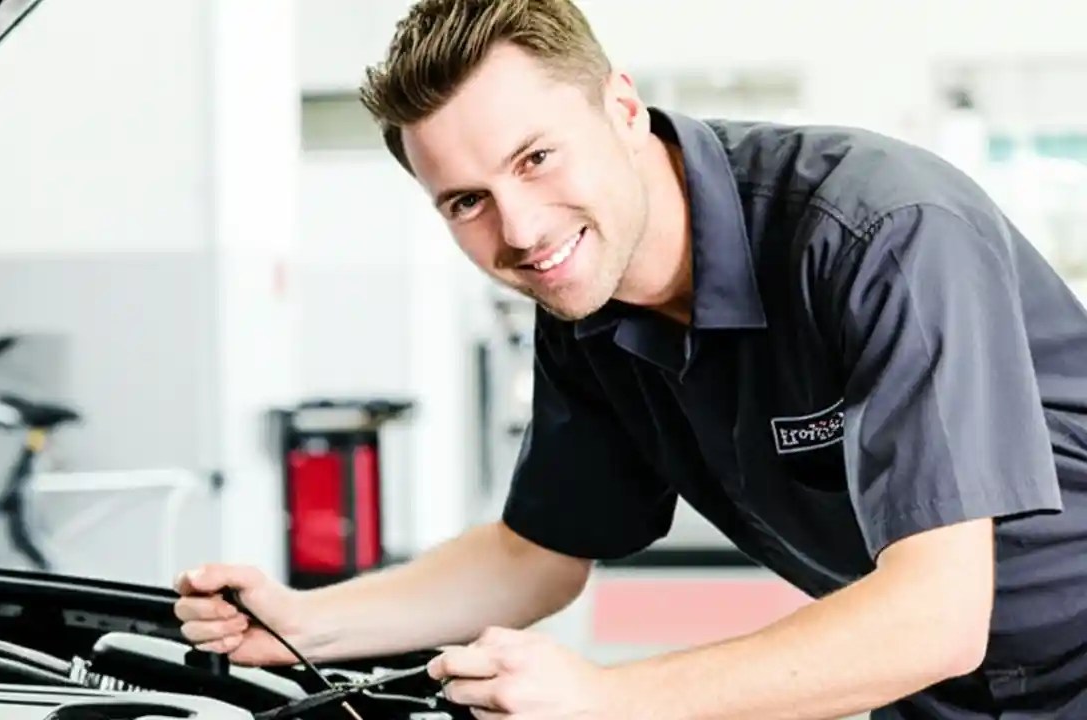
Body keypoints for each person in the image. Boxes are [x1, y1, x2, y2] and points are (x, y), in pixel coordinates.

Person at [173, 0, 1087, 717]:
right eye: (465, 202)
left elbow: (936, 615)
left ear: (621, 104)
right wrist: (307, 624)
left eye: (535, 158)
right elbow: (540, 556)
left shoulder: (879, 235)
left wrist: (608, 698)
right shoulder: (586, 301)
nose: (520, 232)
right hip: (943, 694)